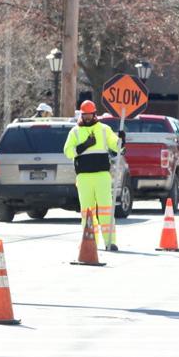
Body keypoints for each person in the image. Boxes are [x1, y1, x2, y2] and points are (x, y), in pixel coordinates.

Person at [63, 100, 123, 251]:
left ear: (95, 114)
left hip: (102, 175)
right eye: (85, 115)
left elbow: (118, 147)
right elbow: (68, 152)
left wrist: (122, 140)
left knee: (105, 210)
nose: (87, 117)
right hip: (84, 177)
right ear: (81, 115)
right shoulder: (75, 131)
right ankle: (90, 241)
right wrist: (84, 146)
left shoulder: (104, 129)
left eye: (90, 114)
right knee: (87, 212)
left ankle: (110, 242)